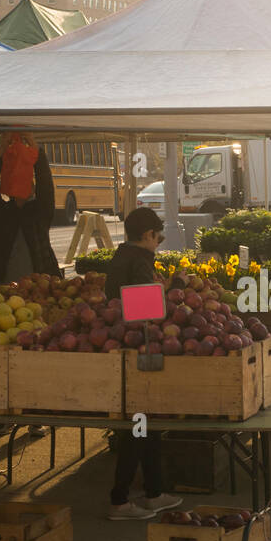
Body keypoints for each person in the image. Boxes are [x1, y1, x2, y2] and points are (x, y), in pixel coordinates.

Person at [104, 207, 183, 520]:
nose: (158, 243)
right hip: (137, 353)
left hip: (124, 347)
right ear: (148, 235)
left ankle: (154, 493)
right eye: (158, 237)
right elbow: (145, 310)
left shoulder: (121, 257)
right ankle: (119, 502)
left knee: (146, 425)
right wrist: (177, 286)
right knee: (137, 428)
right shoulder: (139, 261)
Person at [0, 131, 61, 287]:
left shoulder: (39, 213)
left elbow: (46, 187)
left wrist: (35, 148)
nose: (21, 183)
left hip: (40, 288)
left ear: (33, 188)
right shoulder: (1, 214)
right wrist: (1, 151)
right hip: (3, 288)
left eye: (25, 179)